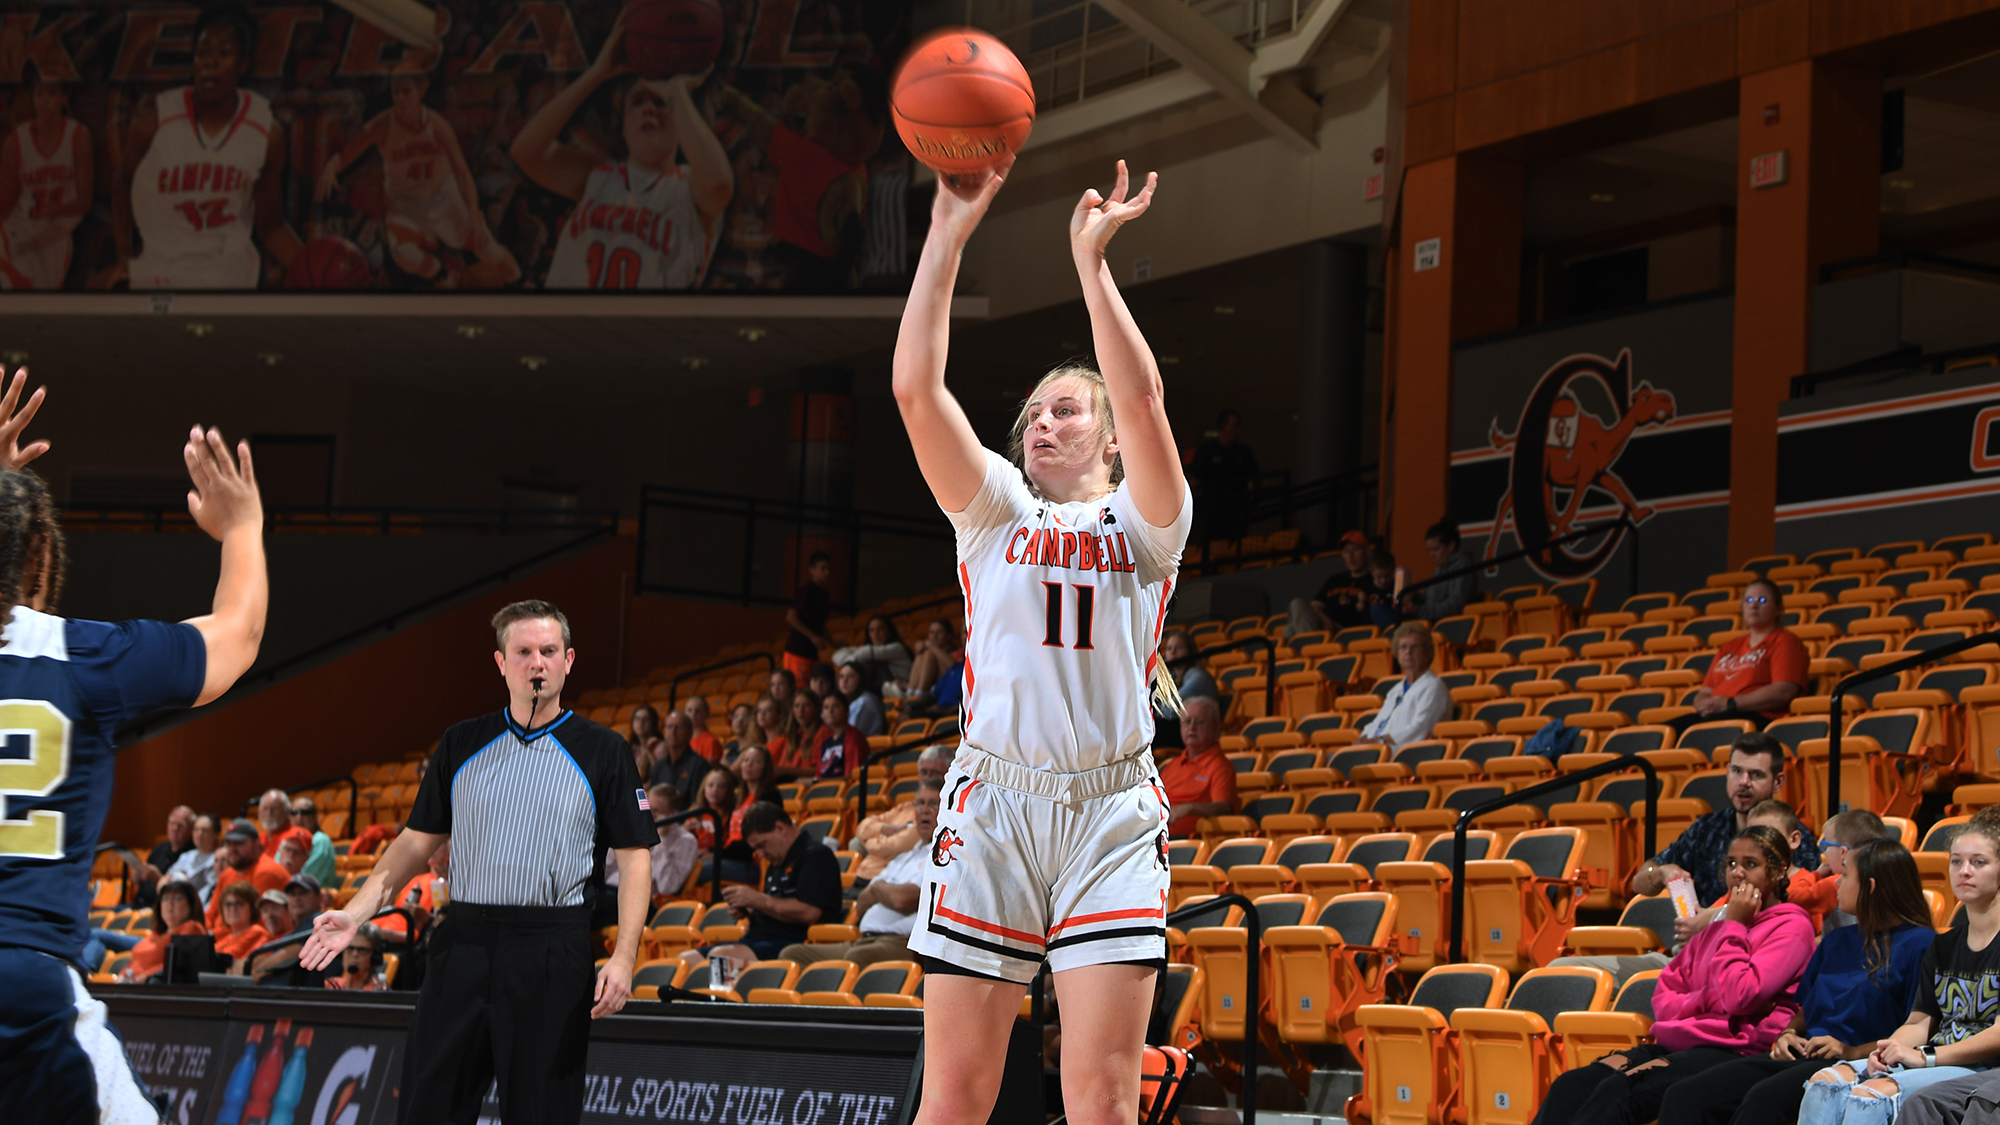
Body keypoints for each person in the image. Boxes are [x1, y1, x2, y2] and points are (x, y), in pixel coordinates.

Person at [893, 154, 1191, 1125]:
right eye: (1032, 412)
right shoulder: (992, 511)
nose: (1040, 422)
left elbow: (1143, 401)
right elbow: (913, 387)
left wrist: (1091, 265)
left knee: (1102, 1097)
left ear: (1106, 440)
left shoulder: (1148, 528)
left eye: (1065, 408)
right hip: (995, 809)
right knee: (957, 1094)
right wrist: (946, 230)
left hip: (1109, 812)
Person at [301, 600, 657, 1125]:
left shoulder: (605, 751)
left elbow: (635, 862)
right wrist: (356, 913)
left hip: (551, 950)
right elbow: (412, 845)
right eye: (524, 651)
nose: (537, 662)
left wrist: (625, 957)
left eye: (549, 651)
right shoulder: (460, 742)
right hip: (463, 943)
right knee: (429, 1106)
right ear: (501, 663)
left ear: (569, 660)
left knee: (540, 1112)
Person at [1529, 825, 1816, 1125]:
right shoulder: (1715, 929)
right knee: (1572, 1084)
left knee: (1620, 1091)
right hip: (1681, 1041)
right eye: (1731, 863)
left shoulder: (1791, 926)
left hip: (1734, 1049)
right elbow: (1665, 997)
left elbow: (1739, 996)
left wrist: (1734, 925)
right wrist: (1712, 1000)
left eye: (1750, 864)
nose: (1737, 873)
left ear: (1780, 870)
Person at [1658, 837, 1937, 1125]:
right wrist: (1787, 1034)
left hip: (1854, 1061)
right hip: (1804, 1052)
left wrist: (1850, 1050)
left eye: (1845, 874)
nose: (1837, 883)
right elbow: (1805, 1009)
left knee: (1764, 1101)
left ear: (1871, 886)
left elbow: (1915, 1030)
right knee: (1685, 1095)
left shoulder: (1922, 945)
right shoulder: (1838, 939)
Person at [1559, 733, 1821, 987]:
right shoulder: (1707, 828)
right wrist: (1660, 872)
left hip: (1742, 958)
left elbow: (1797, 906)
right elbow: (1640, 881)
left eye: (1756, 775)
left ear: (1778, 782)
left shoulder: (1790, 839)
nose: (1744, 782)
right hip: (1686, 955)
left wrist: (1714, 917)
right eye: (1737, 771)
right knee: (1562, 972)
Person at [1799, 808, 2000, 1125]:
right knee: (1827, 1081)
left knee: (1873, 1095)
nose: (1964, 871)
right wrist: (1887, 1049)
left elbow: (1998, 1035)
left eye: (1978, 862)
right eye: (1956, 861)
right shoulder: (1944, 944)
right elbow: (1920, 1022)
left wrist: (1925, 1057)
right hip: (1937, 1057)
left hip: (1983, 1069)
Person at [510, 15, 730, 290]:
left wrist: (676, 91)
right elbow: (525, 152)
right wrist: (596, 74)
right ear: (624, 128)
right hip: (567, 327)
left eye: (660, 103)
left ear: (682, 123)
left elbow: (720, 183)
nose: (649, 108)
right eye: (637, 102)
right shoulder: (599, 175)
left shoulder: (689, 187)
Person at [113, 4, 303, 288]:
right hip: (163, 276)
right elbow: (123, 180)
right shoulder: (155, 123)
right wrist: (124, 257)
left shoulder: (266, 134)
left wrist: (312, 269)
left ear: (243, 64)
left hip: (229, 277)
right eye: (202, 53)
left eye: (223, 53)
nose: (209, 63)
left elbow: (271, 226)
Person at [314, 66, 520, 288]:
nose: (400, 98)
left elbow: (462, 172)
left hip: (442, 194)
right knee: (403, 254)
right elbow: (344, 156)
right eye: (396, 92)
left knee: (486, 248)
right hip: (405, 201)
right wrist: (330, 168)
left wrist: (474, 216)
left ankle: (521, 281)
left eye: (406, 91)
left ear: (420, 92)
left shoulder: (438, 125)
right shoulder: (382, 125)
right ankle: (442, 275)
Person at [782, 779, 942, 968]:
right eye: (920, 803)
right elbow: (861, 905)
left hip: (900, 943)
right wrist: (884, 891)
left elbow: (903, 900)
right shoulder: (903, 858)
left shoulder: (943, 856)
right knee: (792, 954)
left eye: (933, 804)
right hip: (863, 940)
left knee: (855, 958)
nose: (924, 810)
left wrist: (878, 889)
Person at [682, 802, 842, 973]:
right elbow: (772, 904)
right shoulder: (776, 861)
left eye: (762, 845)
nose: (760, 854)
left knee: (722, 958)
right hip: (758, 938)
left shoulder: (815, 855)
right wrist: (750, 909)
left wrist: (758, 900)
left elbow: (809, 912)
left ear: (780, 828)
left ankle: (723, 999)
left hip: (794, 942)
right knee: (685, 961)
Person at [1675, 576, 1807, 734]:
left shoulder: (1785, 641)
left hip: (1757, 717)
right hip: (1719, 714)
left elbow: (1783, 691)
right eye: (1748, 600)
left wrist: (1730, 704)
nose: (1754, 605)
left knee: (1695, 733)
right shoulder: (1729, 647)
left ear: (1778, 609)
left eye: (1763, 600)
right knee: (1666, 731)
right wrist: (1702, 704)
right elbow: (1705, 691)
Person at [0, 75, 91, 290]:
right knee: (13, 285)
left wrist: (61, 210)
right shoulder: (15, 141)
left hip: (55, 238)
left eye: (51, 93)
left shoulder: (78, 136)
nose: (44, 100)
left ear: (64, 97)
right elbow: (4, 200)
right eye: (39, 93)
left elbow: (85, 201)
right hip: (18, 233)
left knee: (42, 306)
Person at [598, 784, 699, 924]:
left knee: (591, 909)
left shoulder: (686, 841)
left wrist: (661, 840)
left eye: (655, 811)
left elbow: (668, 887)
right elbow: (606, 871)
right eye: (646, 808)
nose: (647, 815)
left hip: (640, 902)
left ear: (673, 814)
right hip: (611, 890)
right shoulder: (636, 829)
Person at [850, 744, 952, 880]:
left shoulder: (938, 812)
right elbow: (862, 826)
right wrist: (884, 828)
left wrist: (868, 840)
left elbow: (893, 847)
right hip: (862, 874)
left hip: (887, 880)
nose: (927, 777)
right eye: (923, 772)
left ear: (949, 775)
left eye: (934, 773)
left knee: (857, 842)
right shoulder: (905, 806)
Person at [1359, 621, 1449, 750]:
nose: (1408, 652)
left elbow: (1421, 728)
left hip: (1400, 753)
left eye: (1415, 646)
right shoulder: (1395, 690)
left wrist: (1379, 740)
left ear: (1427, 652)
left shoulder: (1434, 687)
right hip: (1374, 749)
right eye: (1403, 647)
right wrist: (1363, 738)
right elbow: (1378, 722)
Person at [1157, 697, 1236, 839]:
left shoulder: (1220, 766)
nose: (1192, 728)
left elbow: (1225, 808)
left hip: (1189, 841)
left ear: (1216, 729)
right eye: (1187, 722)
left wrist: (1190, 808)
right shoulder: (1171, 765)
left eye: (1200, 722)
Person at [206, 817, 291, 932]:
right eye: (228, 844)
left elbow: (257, 926)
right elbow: (211, 914)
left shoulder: (267, 872)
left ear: (257, 843)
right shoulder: (227, 874)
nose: (232, 849)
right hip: (223, 940)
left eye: (239, 843)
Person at [1188, 408, 1259, 544]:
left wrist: (1253, 501)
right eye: (1235, 426)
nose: (1238, 430)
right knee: (1212, 549)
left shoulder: (1243, 453)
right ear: (1222, 427)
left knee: (1236, 548)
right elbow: (1193, 476)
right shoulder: (1207, 451)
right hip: (1212, 513)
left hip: (1238, 512)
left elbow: (1256, 477)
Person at [1289, 530, 1378, 636]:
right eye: (1346, 551)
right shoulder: (1335, 579)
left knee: (1291, 629)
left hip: (1344, 631)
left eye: (1355, 550)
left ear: (1367, 551)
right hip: (1323, 625)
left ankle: (1310, 648)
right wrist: (1323, 618)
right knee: (1296, 607)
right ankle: (1310, 646)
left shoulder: (1375, 580)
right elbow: (1316, 605)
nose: (1351, 556)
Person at [118, 881, 207, 984]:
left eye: (177, 898)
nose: (170, 904)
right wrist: (122, 976)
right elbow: (134, 961)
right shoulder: (156, 933)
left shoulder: (192, 928)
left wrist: (142, 979)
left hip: (153, 987)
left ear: (191, 905)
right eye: (165, 899)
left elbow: (173, 965)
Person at [1402, 520, 1478, 622]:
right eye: (1429, 550)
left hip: (1449, 625)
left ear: (1451, 546)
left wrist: (1418, 610)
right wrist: (1410, 597)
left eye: (1435, 549)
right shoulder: (1439, 570)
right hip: (1432, 622)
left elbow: (1456, 605)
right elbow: (1426, 599)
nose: (1431, 555)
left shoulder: (1463, 567)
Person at [781, 552, 835, 684]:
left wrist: (834, 643)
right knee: (798, 691)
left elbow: (820, 625)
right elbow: (791, 617)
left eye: (829, 569)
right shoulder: (807, 590)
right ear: (812, 570)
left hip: (811, 653)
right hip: (797, 651)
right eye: (823, 568)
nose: (827, 572)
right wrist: (812, 636)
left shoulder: (824, 595)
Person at [132, 804, 196, 906]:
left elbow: (183, 895)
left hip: (159, 909)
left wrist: (158, 879)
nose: (175, 828)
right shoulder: (159, 848)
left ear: (192, 829)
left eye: (181, 825)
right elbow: (144, 884)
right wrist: (138, 879)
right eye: (172, 823)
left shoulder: (192, 856)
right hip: (137, 904)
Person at [832, 616, 914, 693]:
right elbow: (836, 655)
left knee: (869, 665)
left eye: (880, 629)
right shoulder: (866, 650)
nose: (876, 633)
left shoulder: (897, 647)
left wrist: (849, 663)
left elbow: (862, 654)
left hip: (903, 689)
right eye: (872, 630)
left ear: (889, 632)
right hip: (885, 689)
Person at [648, 709, 707, 810]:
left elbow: (697, 803)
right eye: (669, 727)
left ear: (690, 732)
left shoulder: (699, 765)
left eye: (679, 727)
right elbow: (650, 800)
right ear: (664, 732)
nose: (673, 731)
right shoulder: (658, 766)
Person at [214, 881, 272, 973]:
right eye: (228, 904)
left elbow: (230, 956)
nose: (233, 909)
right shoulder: (224, 940)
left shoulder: (257, 932)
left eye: (239, 903)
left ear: (252, 909)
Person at [165, 812, 222, 904]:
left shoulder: (219, 859)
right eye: (196, 830)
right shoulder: (186, 856)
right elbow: (165, 879)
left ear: (216, 834)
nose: (199, 834)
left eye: (205, 830)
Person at [810, 689, 865, 778]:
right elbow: (819, 774)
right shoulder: (826, 741)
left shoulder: (853, 737)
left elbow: (851, 776)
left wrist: (815, 783)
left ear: (846, 710)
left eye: (835, 706)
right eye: (826, 707)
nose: (830, 711)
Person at [900, 618, 960, 699]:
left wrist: (930, 646)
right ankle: (910, 691)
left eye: (939, 632)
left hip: (946, 685)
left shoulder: (958, 652)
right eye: (931, 632)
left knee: (929, 653)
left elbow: (955, 670)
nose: (934, 636)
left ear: (949, 635)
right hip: (931, 685)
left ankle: (919, 693)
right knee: (923, 654)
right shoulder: (926, 650)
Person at [772, 688, 824, 780]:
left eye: (807, 705)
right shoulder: (794, 735)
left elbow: (819, 770)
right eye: (797, 706)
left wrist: (786, 771)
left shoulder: (823, 732)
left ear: (816, 708)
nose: (801, 710)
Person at [324, 922, 388, 991]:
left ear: (374, 957)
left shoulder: (379, 990)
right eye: (350, 948)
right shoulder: (330, 985)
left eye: (362, 950)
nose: (354, 954)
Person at [290, 796, 337, 887]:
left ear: (315, 817)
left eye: (305, 812)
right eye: (294, 812)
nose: (299, 817)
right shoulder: (288, 841)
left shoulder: (321, 841)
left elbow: (304, 881)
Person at [258, 787, 310, 860]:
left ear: (287, 811)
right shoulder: (258, 839)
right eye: (265, 808)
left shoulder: (294, 838)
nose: (269, 813)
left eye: (275, 809)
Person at [839, 662, 887, 737]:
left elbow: (849, 737)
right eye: (841, 676)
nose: (844, 681)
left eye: (851, 676)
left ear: (861, 679)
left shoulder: (864, 702)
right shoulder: (846, 702)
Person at [683, 695, 722, 762]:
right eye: (689, 710)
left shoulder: (711, 742)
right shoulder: (681, 739)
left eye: (698, 711)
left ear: (707, 714)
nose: (693, 714)